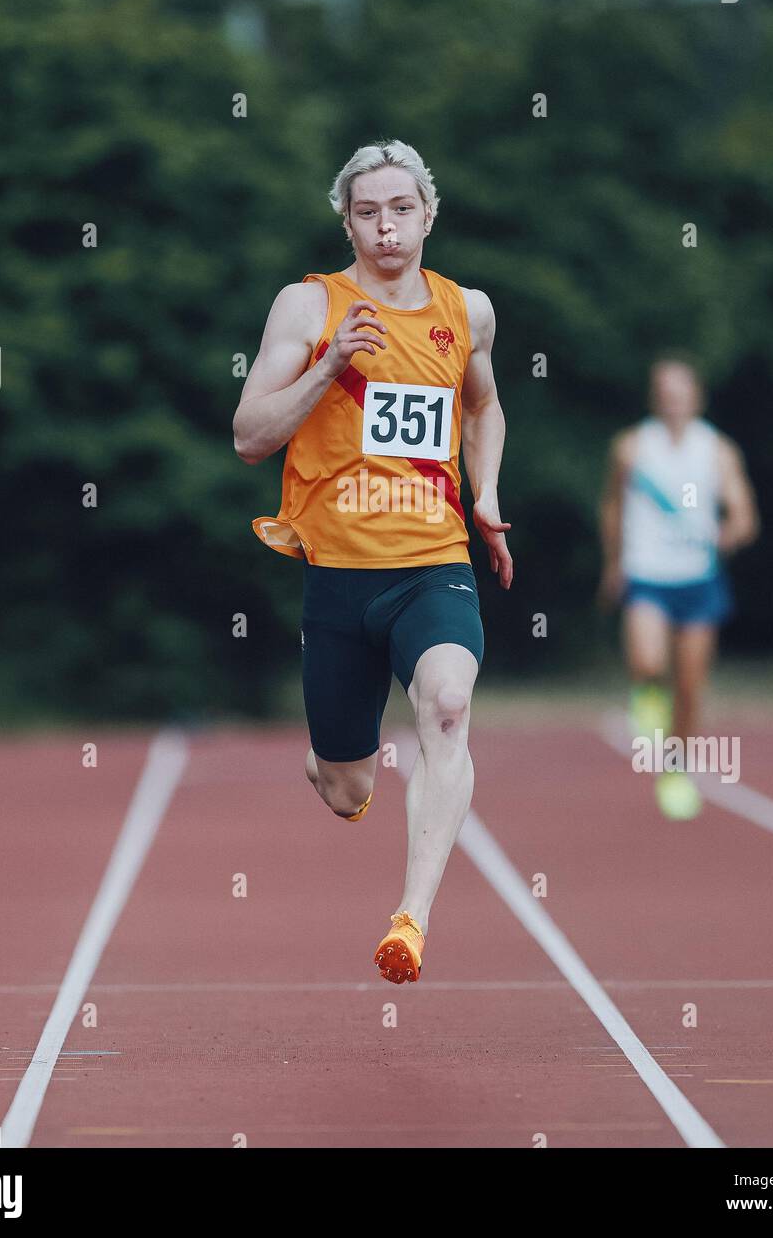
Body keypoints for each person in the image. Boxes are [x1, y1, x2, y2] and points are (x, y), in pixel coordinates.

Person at [233, 140, 512, 982]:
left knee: (450, 707)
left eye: (400, 209)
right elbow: (250, 435)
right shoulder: (309, 307)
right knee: (350, 788)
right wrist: (328, 368)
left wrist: (486, 495)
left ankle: (411, 920)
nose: (384, 227)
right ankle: (329, 758)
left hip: (434, 561)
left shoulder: (470, 311)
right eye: (367, 212)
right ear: (347, 221)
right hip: (339, 577)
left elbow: (484, 406)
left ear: (429, 213)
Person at [598, 355, 759, 819]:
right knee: (648, 662)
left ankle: (675, 769)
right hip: (647, 573)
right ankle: (647, 699)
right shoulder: (631, 447)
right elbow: (611, 506)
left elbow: (744, 515)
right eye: (665, 393)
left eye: (681, 392)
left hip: (698, 578)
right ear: (656, 398)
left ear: (696, 397)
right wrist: (615, 563)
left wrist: (729, 534)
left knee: (690, 688)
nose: (673, 401)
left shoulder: (718, 450)